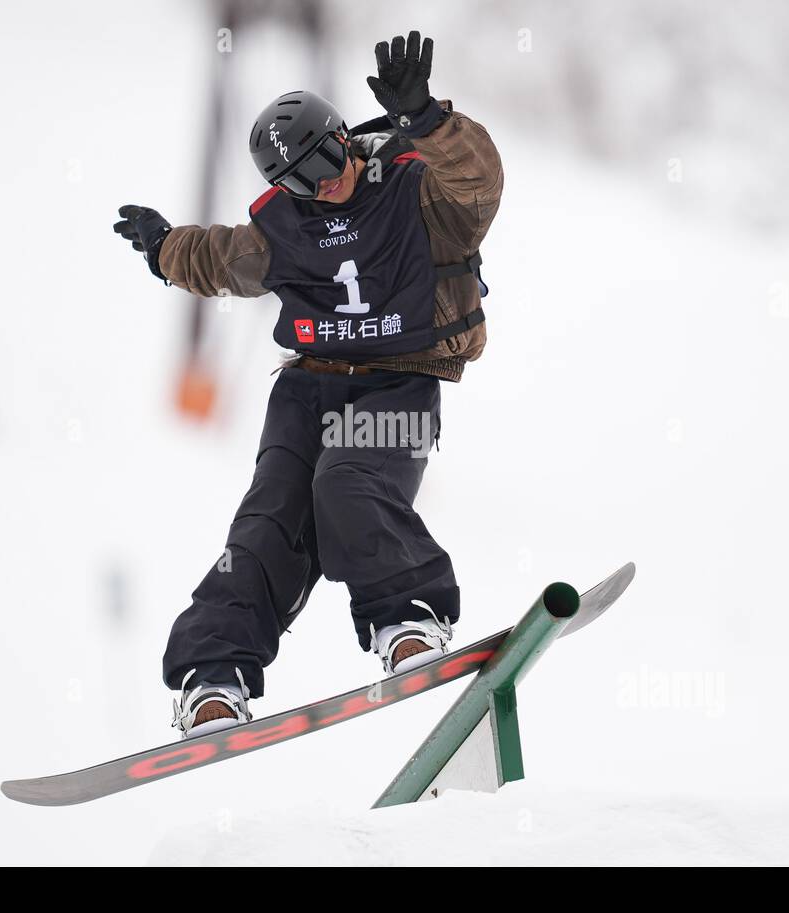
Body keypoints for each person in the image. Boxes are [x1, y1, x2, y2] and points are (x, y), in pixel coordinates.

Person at [113, 31, 503, 738]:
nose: (322, 183)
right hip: (308, 388)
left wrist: (427, 118)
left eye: (326, 158)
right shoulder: (286, 228)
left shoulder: (419, 191)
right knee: (267, 521)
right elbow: (226, 258)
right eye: (299, 179)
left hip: (400, 382)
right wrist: (167, 248)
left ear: (345, 140)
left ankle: (407, 620)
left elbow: (478, 186)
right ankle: (213, 673)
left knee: (349, 484)